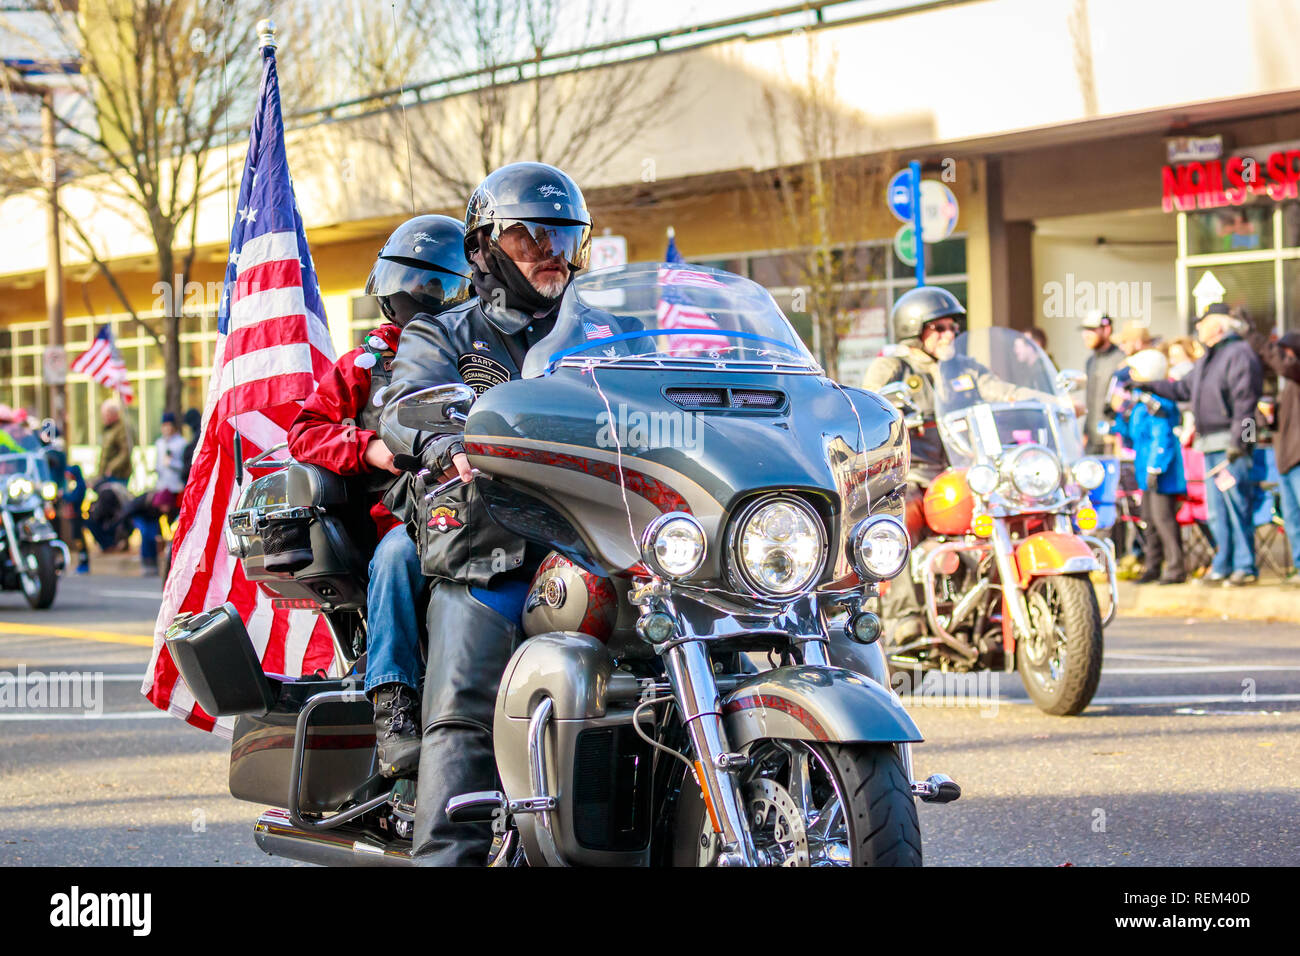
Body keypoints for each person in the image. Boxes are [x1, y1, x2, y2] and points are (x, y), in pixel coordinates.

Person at [379, 161, 592, 865]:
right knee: (465, 710)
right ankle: (448, 853)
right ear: (484, 249)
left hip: (600, 537)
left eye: (563, 235)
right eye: (531, 236)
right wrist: (442, 436)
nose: (552, 252)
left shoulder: (604, 331)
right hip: (489, 539)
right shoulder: (445, 334)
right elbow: (407, 403)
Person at [289, 214, 474, 778]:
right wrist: (366, 446)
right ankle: (393, 704)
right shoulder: (364, 366)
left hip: (495, 511)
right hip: (410, 517)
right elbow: (303, 431)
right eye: (414, 285)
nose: (424, 297)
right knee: (396, 555)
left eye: (437, 286)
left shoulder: (484, 356)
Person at [863, 287, 1048, 643]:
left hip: (965, 471)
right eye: (939, 328)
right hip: (911, 472)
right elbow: (869, 403)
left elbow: (1003, 391)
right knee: (896, 524)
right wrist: (889, 410)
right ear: (915, 330)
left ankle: (993, 603)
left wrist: (1052, 402)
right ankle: (906, 616)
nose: (950, 335)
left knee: (1011, 512)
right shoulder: (892, 366)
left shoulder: (965, 368)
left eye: (953, 327)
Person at [1139, 303, 1263, 586]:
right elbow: (1181, 389)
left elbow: (1246, 403)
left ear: (1218, 326)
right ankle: (1223, 565)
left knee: (1236, 505)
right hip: (1209, 444)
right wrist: (1148, 384)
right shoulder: (1208, 359)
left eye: (1202, 322)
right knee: (1217, 510)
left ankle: (1245, 566)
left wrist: (1241, 443)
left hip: (1230, 446)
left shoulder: (1239, 354)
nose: (1197, 327)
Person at [1113, 350, 1186, 584]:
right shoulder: (1139, 402)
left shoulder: (1159, 401)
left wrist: (1157, 467)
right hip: (1144, 469)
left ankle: (1175, 567)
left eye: (1136, 371)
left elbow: (1162, 436)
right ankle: (1153, 565)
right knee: (1148, 521)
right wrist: (1118, 418)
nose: (1131, 375)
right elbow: (1133, 435)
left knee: (1163, 520)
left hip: (1160, 471)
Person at [1241, 326, 1300, 585]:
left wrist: (1251, 334)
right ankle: (1298, 566)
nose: (1280, 357)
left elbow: (1284, 365)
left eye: (1284, 351)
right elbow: (1272, 425)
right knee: (1292, 518)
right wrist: (1261, 422)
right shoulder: (1287, 388)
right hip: (1285, 459)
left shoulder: (1296, 374)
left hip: (1297, 459)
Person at [1080, 311, 1126, 455]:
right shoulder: (1090, 361)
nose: (1085, 335)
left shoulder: (1121, 360)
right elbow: (1091, 401)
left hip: (1112, 439)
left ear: (1106, 330)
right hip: (1093, 439)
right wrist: (1086, 431)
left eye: (1092, 330)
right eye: (1085, 330)